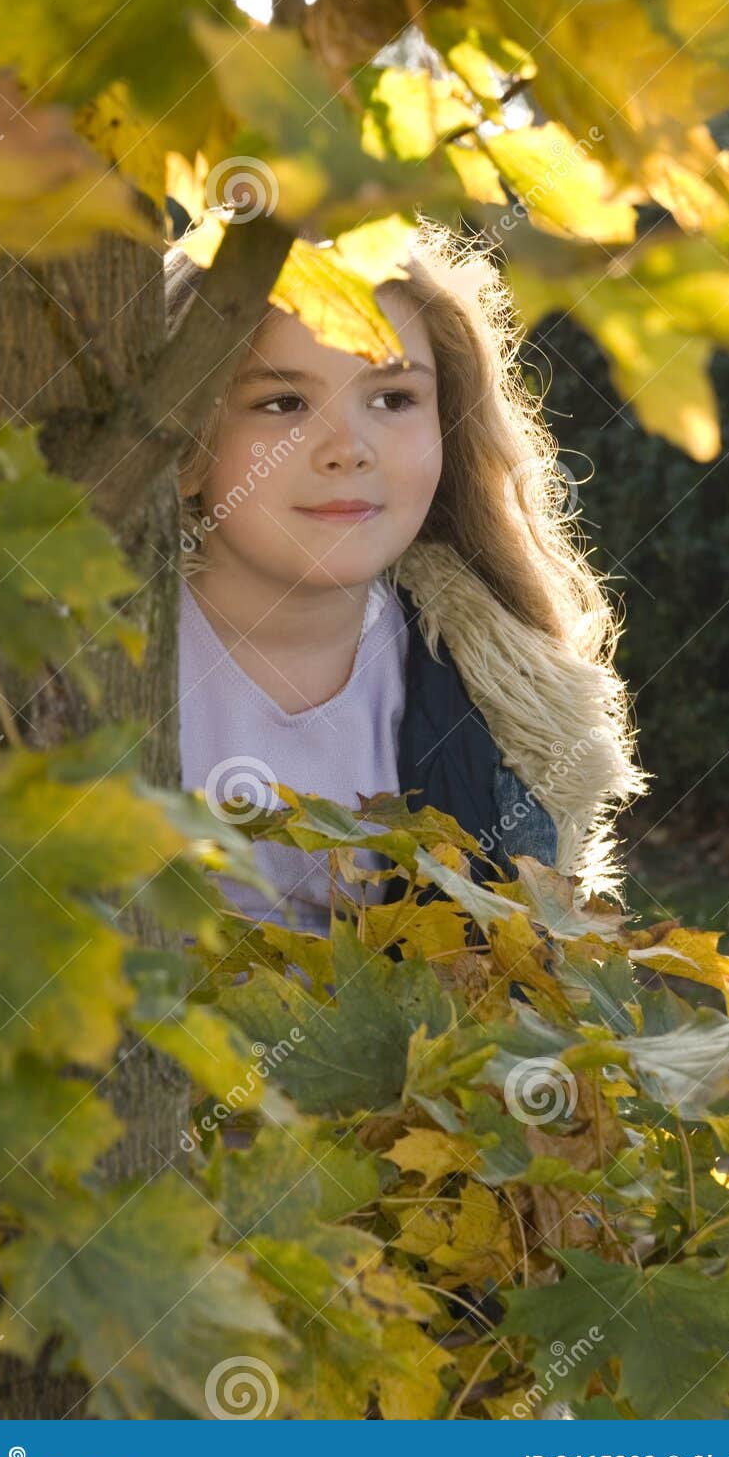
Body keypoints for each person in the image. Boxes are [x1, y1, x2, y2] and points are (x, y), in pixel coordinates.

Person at [169, 217, 648, 939]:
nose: (347, 450)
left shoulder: (508, 707)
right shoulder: (73, 657)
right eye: (282, 403)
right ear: (180, 431)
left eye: (393, 399)